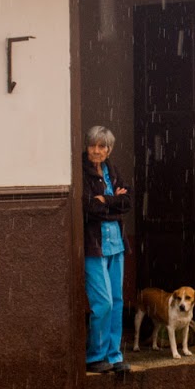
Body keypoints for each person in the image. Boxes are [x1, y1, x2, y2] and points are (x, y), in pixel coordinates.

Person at [83, 125, 133, 375]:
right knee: (101, 302)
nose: (96, 150)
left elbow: (127, 201)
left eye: (102, 146)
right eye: (93, 145)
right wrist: (111, 203)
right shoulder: (82, 171)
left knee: (117, 301)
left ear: (109, 149)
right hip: (94, 244)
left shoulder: (111, 168)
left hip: (116, 243)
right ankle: (95, 356)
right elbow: (89, 207)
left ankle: (114, 355)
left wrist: (108, 201)